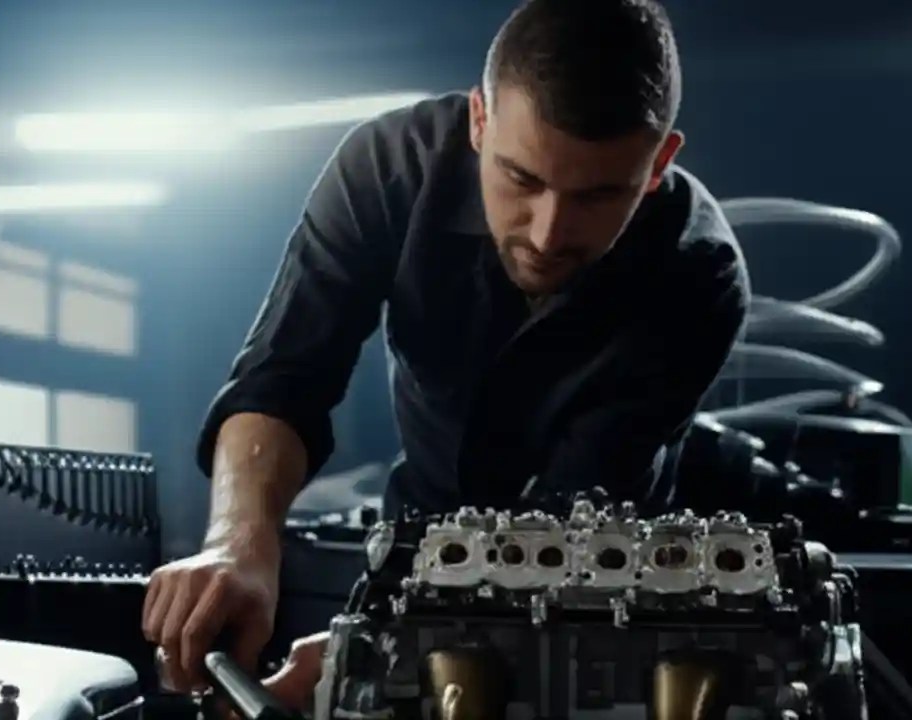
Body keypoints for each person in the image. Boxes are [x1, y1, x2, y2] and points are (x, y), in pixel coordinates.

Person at [141, 0, 750, 710]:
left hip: (598, 577)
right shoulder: (388, 169)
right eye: (522, 180)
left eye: (598, 195)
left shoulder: (698, 273)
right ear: (479, 120)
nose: (550, 235)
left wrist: (390, 643)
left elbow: (572, 526)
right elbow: (284, 379)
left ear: (658, 163)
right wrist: (240, 543)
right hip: (415, 531)